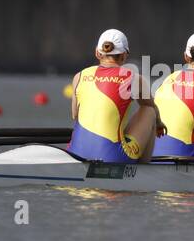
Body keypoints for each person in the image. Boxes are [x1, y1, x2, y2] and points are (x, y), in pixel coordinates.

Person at [68, 28, 161, 162]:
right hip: (113, 157)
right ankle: (143, 173)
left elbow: (75, 115)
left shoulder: (79, 76)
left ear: (97, 53)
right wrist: (159, 124)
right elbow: (152, 108)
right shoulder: (134, 78)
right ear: (124, 55)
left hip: (74, 155)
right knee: (150, 111)